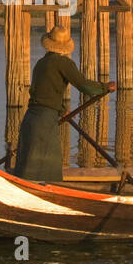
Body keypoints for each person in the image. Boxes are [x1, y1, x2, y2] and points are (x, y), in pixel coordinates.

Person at [14, 26, 114, 181]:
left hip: (30, 119)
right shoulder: (63, 63)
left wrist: (61, 110)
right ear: (66, 46)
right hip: (44, 122)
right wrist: (105, 87)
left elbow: (41, 92)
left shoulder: (41, 63)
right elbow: (84, 86)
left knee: (26, 168)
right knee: (49, 169)